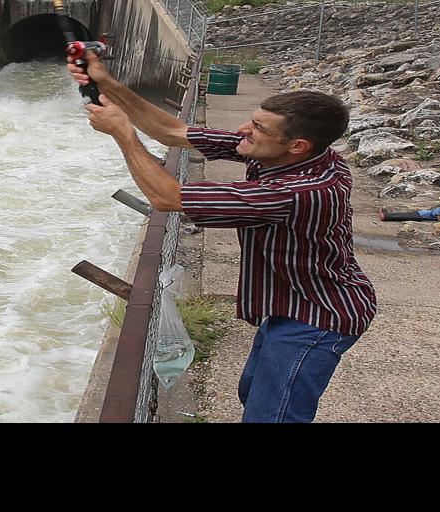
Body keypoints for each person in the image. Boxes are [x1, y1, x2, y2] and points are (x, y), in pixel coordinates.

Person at [70, 51, 375, 423]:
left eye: (259, 128)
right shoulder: (292, 154)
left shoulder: (296, 191)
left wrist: (123, 133)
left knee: (272, 416)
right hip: (294, 305)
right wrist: (108, 83)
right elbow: (173, 131)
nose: (245, 130)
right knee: (253, 395)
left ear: (298, 146)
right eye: (252, 120)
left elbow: (167, 197)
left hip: (318, 316)